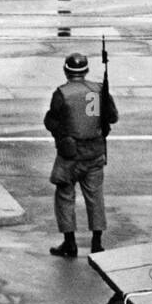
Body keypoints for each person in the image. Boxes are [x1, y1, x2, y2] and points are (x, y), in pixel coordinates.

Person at [43, 52, 118, 258]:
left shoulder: (62, 93)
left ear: (66, 71)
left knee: (65, 195)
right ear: (85, 71)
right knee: (95, 197)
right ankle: (96, 243)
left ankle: (70, 242)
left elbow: (51, 120)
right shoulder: (99, 90)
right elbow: (112, 117)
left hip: (70, 155)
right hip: (95, 152)